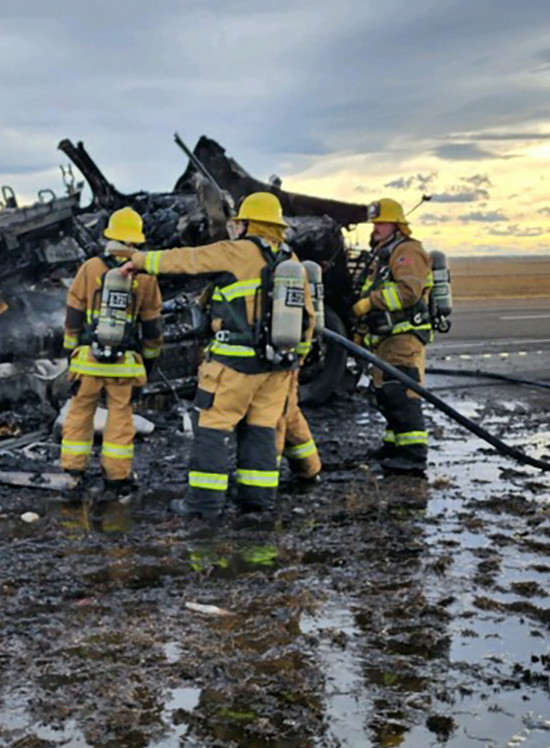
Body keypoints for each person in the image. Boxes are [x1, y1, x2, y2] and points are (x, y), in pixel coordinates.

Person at [121, 192, 314, 517]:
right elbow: (308, 319)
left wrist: (138, 261)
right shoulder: (291, 262)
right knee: (262, 429)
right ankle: (257, 500)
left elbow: (186, 260)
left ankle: (203, 504)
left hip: (234, 364)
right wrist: (298, 361)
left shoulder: (236, 251)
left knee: (212, 426)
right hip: (277, 367)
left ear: (249, 224)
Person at [59, 207, 163, 495]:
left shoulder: (90, 268)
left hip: (88, 361)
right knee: (120, 417)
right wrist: (148, 364)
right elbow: (152, 329)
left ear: (110, 236)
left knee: (80, 413)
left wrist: (71, 356)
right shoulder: (145, 276)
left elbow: (73, 317)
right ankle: (116, 476)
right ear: (136, 240)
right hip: (125, 365)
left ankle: (73, 471)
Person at [353, 198, 433, 475]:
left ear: (397, 225)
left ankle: (413, 454)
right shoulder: (384, 254)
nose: (375, 228)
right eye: (374, 223)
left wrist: (370, 302)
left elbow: (408, 292)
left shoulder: (407, 251)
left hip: (403, 336)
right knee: (386, 393)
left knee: (402, 394)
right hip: (386, 338)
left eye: (381, 223)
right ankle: (394, 445)